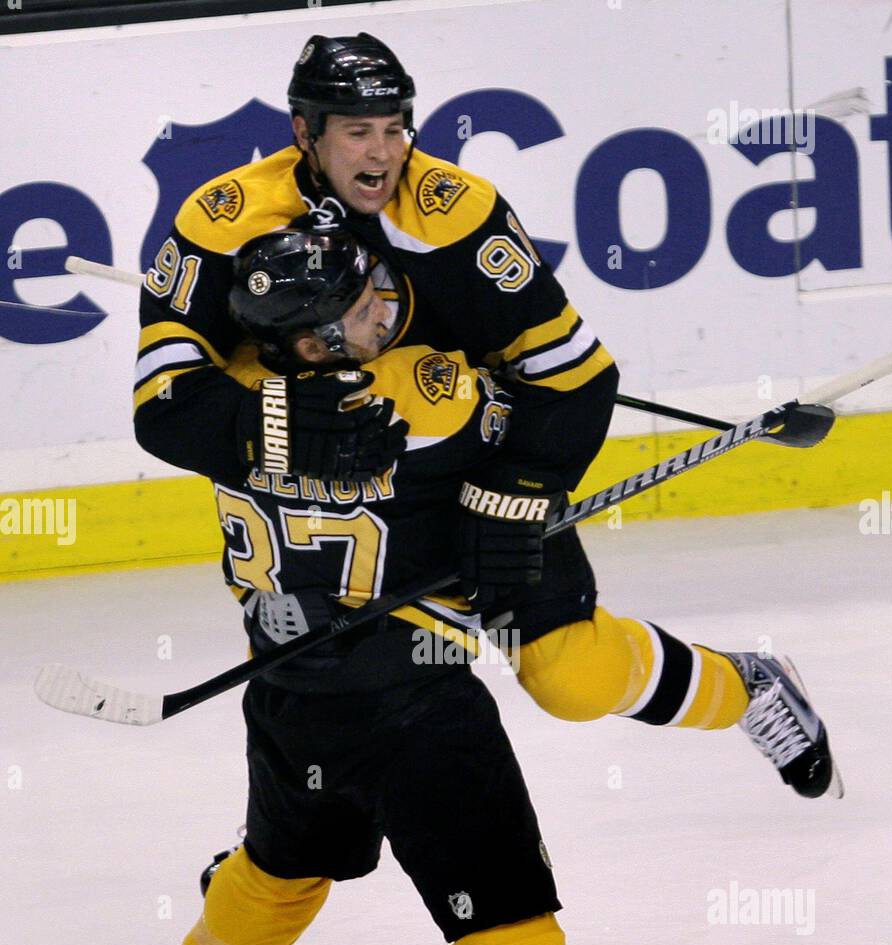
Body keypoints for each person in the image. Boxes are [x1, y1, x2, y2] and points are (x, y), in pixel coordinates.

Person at [133, 30, 840, 813]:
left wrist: (514, 491)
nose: (383, 153)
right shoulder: (223, 218)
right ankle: (273, 852)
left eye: (395, 127)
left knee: (570, 681)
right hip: (325, 501)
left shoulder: (456, 213)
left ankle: (746, 686)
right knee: (324, 700)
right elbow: (162, 406)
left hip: (463, 465)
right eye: (358, 131)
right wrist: (279, 421)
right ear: (305, 131)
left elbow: (575, 380)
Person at [117, 224, 566, 945]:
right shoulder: (426, 401)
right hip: (413, 703)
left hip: (290, 694)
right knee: (515, 942)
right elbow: (524, 434)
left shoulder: (233, 410)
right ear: (318, 340)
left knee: (274, 880)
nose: (389, 301)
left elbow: (176, 404)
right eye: (368, 296)